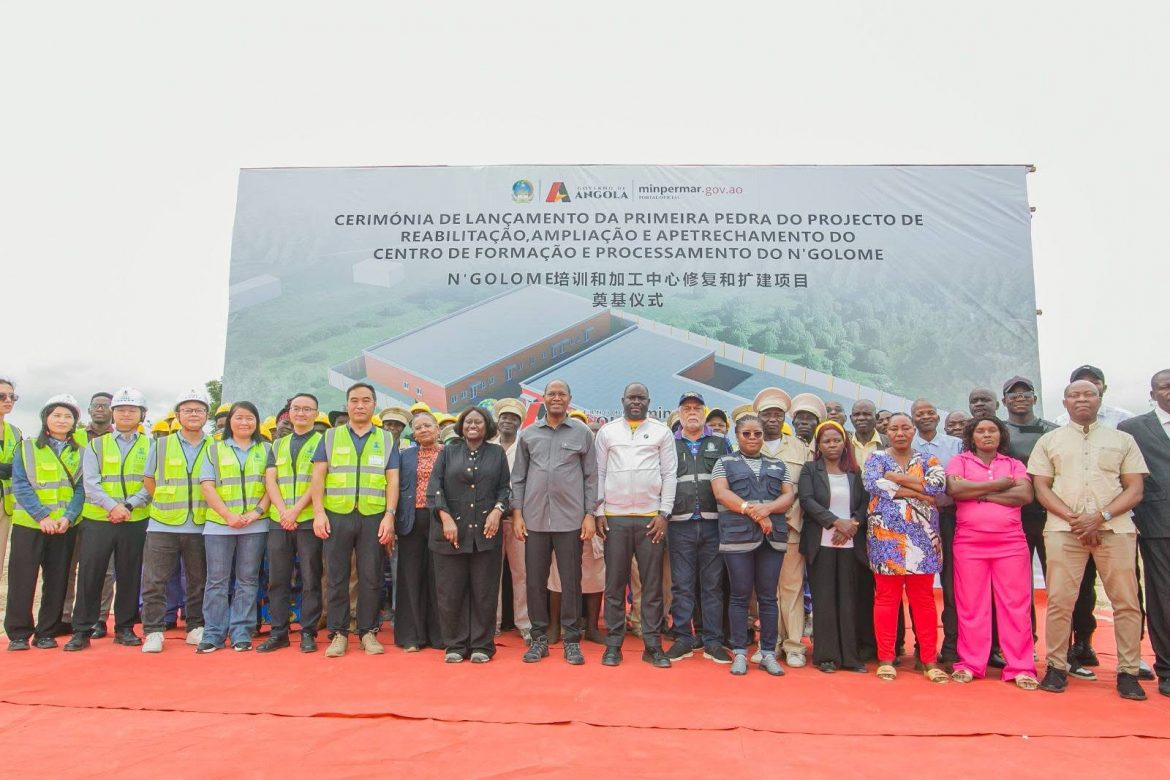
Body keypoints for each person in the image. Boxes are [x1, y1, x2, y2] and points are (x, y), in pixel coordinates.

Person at [1031, 380, 1148, 700]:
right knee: (1060, 600)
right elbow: (1041, 488)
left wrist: (1100, 517)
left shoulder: (1122, 440)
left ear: (1100, 398)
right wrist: (1077, 519)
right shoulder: (1049, 440)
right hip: (1064, 530)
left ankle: (1128, 672)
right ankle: (1056, 667)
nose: (1081, 399)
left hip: (1115, 529)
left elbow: (1135, 489)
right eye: (1074, 395)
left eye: (1088, 394)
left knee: (1126, 601)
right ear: (1065, 402)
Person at [945, 417, 1039, 689]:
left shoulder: (1013, 464)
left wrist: (979, 494)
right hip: (969, 543)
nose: (987, 435)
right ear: (971, 436)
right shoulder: (960, 461)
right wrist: (1000, 485)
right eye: (980, 431)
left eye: (992, 430)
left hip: (1010, 544)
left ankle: (1021, 667)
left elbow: (1025, 496)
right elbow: (955, 489)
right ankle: (971, 664)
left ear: (1001, 435)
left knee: (1015, 606)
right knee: (971, 605)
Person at [512, 379, 597, 665]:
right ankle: (538, 639)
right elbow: (518, 477)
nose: (556, 398)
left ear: (569, 399)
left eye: (561, 394)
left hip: (571, 520)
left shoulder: (582, 433)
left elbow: (591, 477)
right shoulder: (529, 434)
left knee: (571, 581)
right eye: (551, 394)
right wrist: (517, 514)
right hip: (534, 520)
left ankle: (571, 640)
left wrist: (589, 514)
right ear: (544, 398)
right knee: (535, 582)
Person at [311, 383, 400, 657]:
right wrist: (319, 513)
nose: (360, 405)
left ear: (374, 405)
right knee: (336, 576)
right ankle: (338, 633)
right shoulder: (330, 436)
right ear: (347, 404)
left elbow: (392, 480)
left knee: (371, 576)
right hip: (337, 515)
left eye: (365, 400)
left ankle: (367, 632)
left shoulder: (386, 439)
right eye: (354, 400)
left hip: (373, 516)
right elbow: (318, 477)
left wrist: (389, 515)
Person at [595, 382, 677, 668]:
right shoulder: (607, 432)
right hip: (614, 518)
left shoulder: (661, 432)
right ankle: (613, 645)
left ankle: (652, 646)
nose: (636, 402)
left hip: (649, 519)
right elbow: (599, 472)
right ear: (622, 400)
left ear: (649, 402)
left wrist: (664, 513)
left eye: (641, 398)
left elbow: (669, 474)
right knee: (614, 585)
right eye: (631, 397)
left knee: (652, 586)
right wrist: (599, 511)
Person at [65, 388, 153, 651]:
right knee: (91, 574)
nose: (126, 414)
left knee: (130, 574)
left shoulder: (152, 446)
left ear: (142, 415)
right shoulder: (96, 445)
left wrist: (128, 505)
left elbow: (151, 483)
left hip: (135, 519)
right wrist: (113, 507)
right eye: (121, 410)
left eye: (132, 410)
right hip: (98, 519)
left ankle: (125, 628)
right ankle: (82, 630)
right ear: (114, 414)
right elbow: (90, 483)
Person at [862, 412, 948, 683]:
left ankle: (928, 659)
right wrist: (915, 491)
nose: (899, 433)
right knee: (886, 599)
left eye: (905, 428)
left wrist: (895, 478)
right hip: (886, 538)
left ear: (913, 430)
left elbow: (937, 485)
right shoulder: (876, 458)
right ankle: (886, 657)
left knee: (923, 600)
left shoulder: (928, 459)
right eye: (894, 428)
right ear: (886, 431)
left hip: (923, 539)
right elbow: (873, 484)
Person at [711, 414, 795, 676]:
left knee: (768, 597)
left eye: (757, 433)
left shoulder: (778, 464)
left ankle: (768, 653)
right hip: (737, 538)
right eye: (746, 433)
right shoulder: (724, 462)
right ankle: (739, 652)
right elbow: (721, 493)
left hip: (772, 540)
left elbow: (789, 496)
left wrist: (767, 509)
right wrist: (754, 512)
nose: (752, 438)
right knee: (740, 595)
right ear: (736, 436)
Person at [427, 406, 510, 663]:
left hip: (486, 533)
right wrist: (445, 517)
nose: (472, 425)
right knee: (450, 592)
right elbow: (434, 488)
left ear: (487, 426)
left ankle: (482, 645)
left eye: (478, 422)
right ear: (461, 426)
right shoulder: (447, 452)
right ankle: (455, 644)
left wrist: (497, 511)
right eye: (468, 422)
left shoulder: (497, 453)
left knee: (484, 592)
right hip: (450, 534)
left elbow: (505, 490)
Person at [4, 395, 84, 650]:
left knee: (58, 580)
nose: (62, 420)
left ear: (74, 422)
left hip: (64, 526)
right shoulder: (27, 447)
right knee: (22, 580)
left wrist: (68, 517)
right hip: (30, 525)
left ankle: (46, 632)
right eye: (56, 415)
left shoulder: (80, 452)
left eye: (68, 416)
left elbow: (81, 489)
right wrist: (42, 516)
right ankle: (18, 634)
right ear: (46, 418)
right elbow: (20, 485)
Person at [139, 389, 212, 653]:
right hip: (163, 523)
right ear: (178, 415)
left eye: (199, 410)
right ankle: (153, 630)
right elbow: (149, 480)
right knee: (155, 580)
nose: (193, 414)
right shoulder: (160, 445)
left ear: (206, 415)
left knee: (198, 579)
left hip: (201, 522)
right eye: (187, 410)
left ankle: (195, 626)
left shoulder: (215, 446)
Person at [197, 402, 271, 653]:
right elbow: (207, 486)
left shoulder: (266, 449)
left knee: (248, 580)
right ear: (230, 421)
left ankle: (241, 632)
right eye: (239, 417)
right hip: (220, 526)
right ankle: (213, 634)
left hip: (255, 525)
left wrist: (256, 512)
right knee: (216, 581)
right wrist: (228, 516)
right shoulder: (213, 449)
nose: (244, 422)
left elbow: (272, 487)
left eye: (250, 418)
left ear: (257, 422)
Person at [663, 391, 731, 664]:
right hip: (679, 525)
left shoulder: (721, 443)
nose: (692, 412)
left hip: (714, 524)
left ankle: (713, 641)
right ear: (679, 414)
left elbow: (730, 479)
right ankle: (683, 639)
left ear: (704, 413)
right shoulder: (669, 443)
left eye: (697, 408)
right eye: (687, 408)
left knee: (712, 586)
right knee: (682, 586)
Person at [799, 420, 868, 673]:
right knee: (824, 599)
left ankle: (850, 656)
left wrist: (852, 524)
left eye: (837, 440)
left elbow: (864, 503)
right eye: (826, 441)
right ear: (818, 445)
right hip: (821, 543)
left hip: (850, 543)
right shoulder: (810, 469)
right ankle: (826, 656)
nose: (832, 445)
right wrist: (836, 522)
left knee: (848, 600)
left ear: (844, 443)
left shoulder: (855, 472)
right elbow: (807, 500)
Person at [259, 393, 324, 653]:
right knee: (278, 579)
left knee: (310, 578)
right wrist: (283, 511)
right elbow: (270, 480)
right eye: (296, 408)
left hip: (308, 520)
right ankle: (279, 632)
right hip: (279, 520)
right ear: (289, 413)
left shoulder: (323, 442)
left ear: (316, 413)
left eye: (307, 409)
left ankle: (308, 632)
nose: (301, 413)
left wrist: (296, 511)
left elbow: (318, 481)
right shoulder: (278, 444)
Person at [1118, 369, 1170, 697]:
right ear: (1153, 394)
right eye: (1165, 387)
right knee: (1163, 597)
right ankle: (1167, 667)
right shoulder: (1133, 429)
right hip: (1158, 523)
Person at [754, 387, 810, 668]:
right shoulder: (750, 445)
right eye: (767, 414)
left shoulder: (800, 448)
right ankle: (770, 643)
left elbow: (807, 489)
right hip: (758, 529)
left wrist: (787, 516)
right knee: (766, 589)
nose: (772, 419)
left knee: (791, 587)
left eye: (778, 414)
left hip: (790, 528)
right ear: (759, 417)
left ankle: (794, 645)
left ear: (785, 417)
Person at [910, 398, 963, 664]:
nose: (926, 416)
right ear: (913, 419)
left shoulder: (956, 445)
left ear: (938, 418)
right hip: (918, 519)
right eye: (920, 413)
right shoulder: (906, 445)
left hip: (951, 518)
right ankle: (923, 646)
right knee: (919, 585)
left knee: (952, 585)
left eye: (930, 412)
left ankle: (952, 647)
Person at [61, 392, 116, 637]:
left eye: (106, 405)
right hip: (72, 514)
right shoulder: (74, 437)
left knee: (105, 571)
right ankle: (64, 616)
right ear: (89, 409)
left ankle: (99, 618)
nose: (100, 409)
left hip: (104, 514)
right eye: (96, 405)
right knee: (68, 568)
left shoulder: (120, 439)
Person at [393, 411, 443, 651]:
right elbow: (395, 488)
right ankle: (412, 636)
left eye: (427, 425)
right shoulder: (405, 456)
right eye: (418, 427)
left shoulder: (450, 453)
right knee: (410, 577)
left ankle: (441, 635)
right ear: (413, 434)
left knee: (440, 578)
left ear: (437, 429)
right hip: (411, 521)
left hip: (441, 521)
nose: (423, 430)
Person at [492, 398, 530, 641]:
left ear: (520, 423)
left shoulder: (526, 447)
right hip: (492, 520)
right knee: (491, 573)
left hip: (518, 518)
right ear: (498, 420)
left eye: (513, 418)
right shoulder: (488, 446)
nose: (508, 421)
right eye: (504, 417)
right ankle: (492, 622)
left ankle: (524, 623)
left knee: (521, 573)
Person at [1054, 365, 1134, 428]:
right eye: (1080, 382)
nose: (1087, 386)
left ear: (1104, 388)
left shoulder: (1125, 419)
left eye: (1094, 382)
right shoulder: (1059, 423)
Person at [0, 379, 22, 584]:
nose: (8, 400)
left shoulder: (15, 432)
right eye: (2, 396)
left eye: (12, 396)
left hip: (5, 506)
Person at [850, 400, 886, 469]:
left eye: (866, 414)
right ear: (851, 418)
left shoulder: (890, 443)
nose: (861, 418)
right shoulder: (843, 444)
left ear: (876, 417)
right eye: (856, 414)